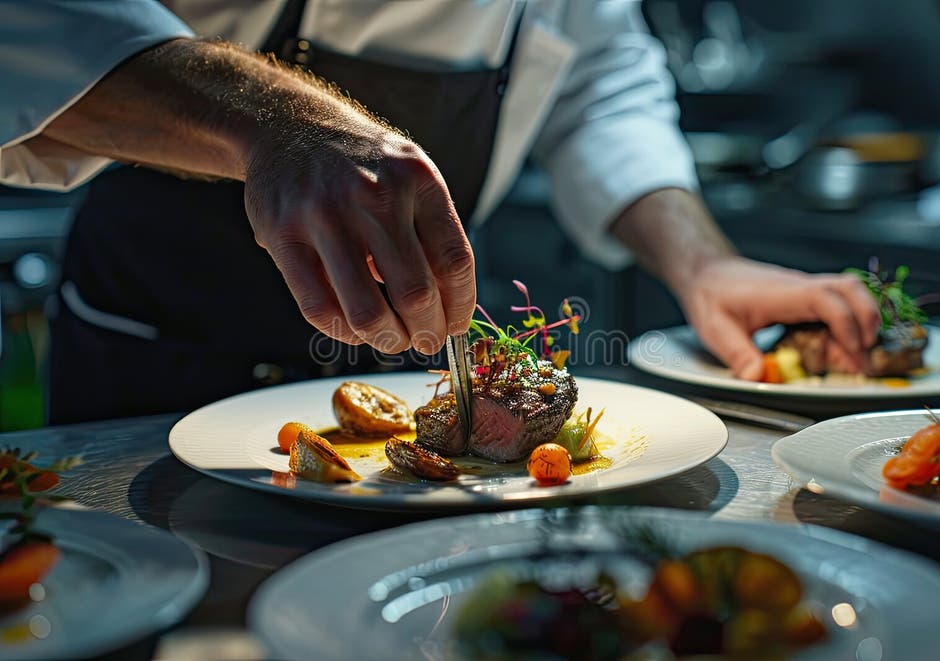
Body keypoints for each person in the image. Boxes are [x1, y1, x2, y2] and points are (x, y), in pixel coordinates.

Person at [0, 0, 879, 423]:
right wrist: (276, 123)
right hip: (154, 362)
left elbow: (602, 82)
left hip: (424, 373)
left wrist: (702, 262)